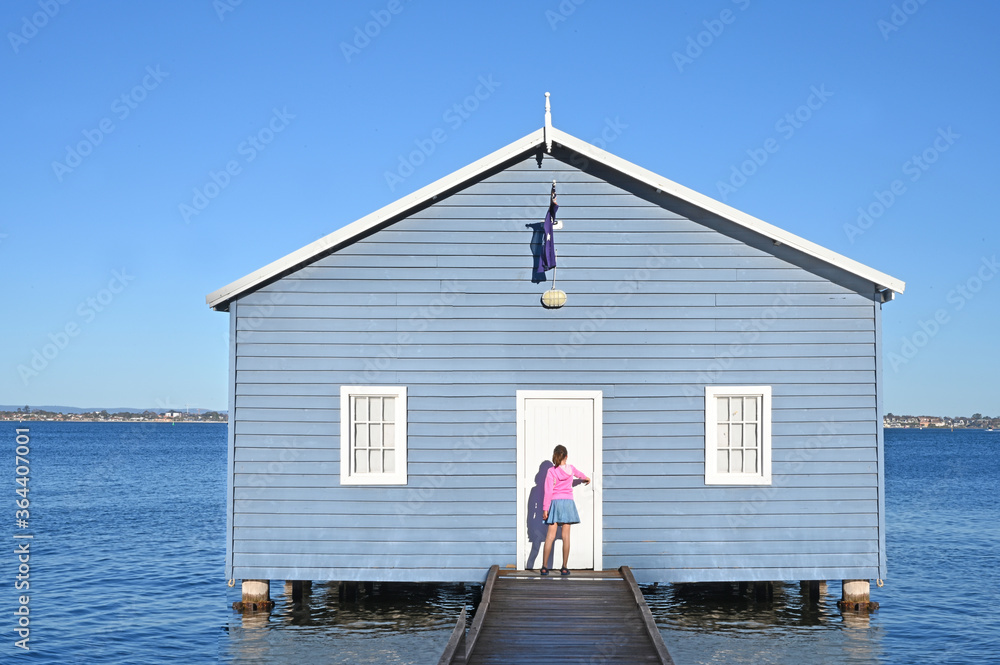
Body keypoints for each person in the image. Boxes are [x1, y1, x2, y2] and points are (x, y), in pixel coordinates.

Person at [541, 444, 590, 576]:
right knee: (566, 537)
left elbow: (548, 491)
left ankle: (544, 567)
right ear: (566, 456)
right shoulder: (571, 469)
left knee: (550, 537)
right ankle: (564, 567)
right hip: (568, 503)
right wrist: (586, 478)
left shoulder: (551, 471)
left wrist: (545, 509)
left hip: (555, 503)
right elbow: (580, 475)